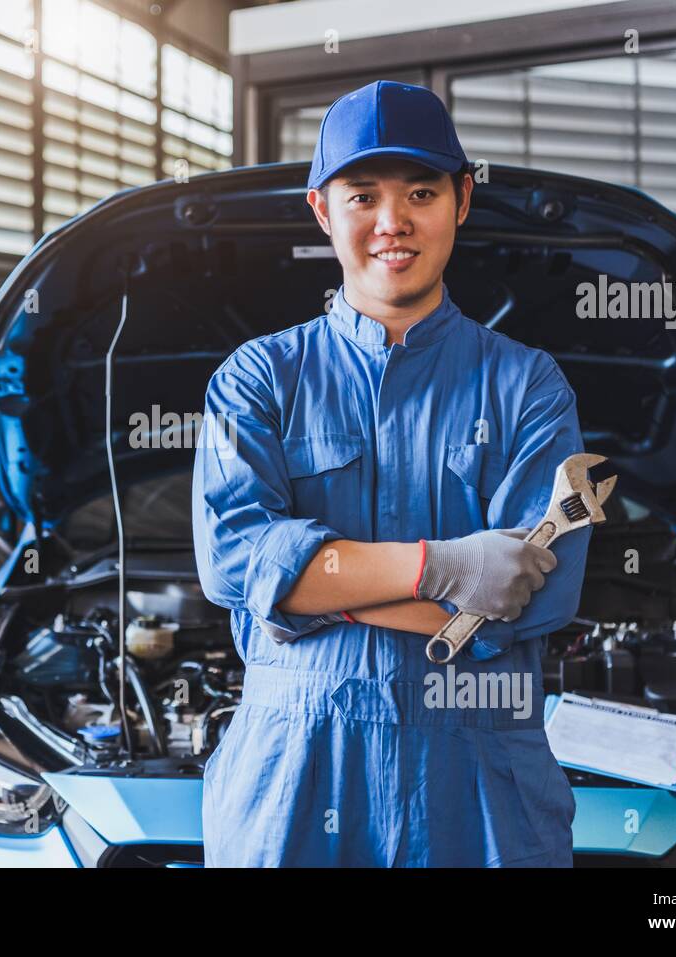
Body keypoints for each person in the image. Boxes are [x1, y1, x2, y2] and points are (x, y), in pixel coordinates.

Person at [191, 80, 591, 867]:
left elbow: (521, 599)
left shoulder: (528, 386)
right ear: (321, 208)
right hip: (292, 779)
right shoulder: (256, 380)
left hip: (479, 789)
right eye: (362, 194)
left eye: (420, 191)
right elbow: (233, 563)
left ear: (462, 198)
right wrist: (442, 567)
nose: (392, 223)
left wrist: (307, 601)